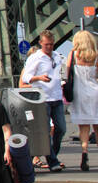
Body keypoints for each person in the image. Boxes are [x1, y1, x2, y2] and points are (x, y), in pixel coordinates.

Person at [20, 30, 66, 171]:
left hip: (57, 97)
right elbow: (26, 78)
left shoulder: (57, 56)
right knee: (45, 131)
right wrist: (39, 78)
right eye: (46, 45)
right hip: (43, 98)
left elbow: (63, 71)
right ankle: (53, 161)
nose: (49, 47)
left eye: (51, 44)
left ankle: (52, 154)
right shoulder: (35, 58)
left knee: (61, 129)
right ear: (41, 43)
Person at [63, 31, 98, 171]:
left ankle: (84, 152)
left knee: (83, 128)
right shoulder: (97, 57)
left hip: (79, 93)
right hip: (95, 94)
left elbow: (67, 73)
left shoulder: (74, 55)